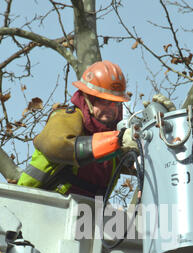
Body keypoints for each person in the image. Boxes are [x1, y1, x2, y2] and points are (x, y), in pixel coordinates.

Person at [17, 60, 138, 198]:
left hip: (87, 211)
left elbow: (138, 164)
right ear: (88, 99)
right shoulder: (66, 117)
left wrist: (161, 128)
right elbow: (56, 145)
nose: (110, 107)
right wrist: (117, 141)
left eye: (115, 103)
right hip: (37, 201)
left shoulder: (110, 137)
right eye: (103, 101)